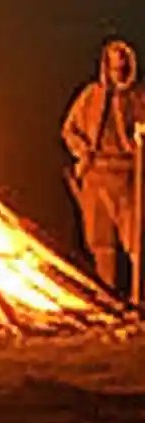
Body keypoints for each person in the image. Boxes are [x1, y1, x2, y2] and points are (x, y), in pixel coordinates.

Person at [61, 38, 145, 293]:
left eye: (123, 67)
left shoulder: (139, 97)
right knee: (101, 243)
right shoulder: (91, 97)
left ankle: (138, 295)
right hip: (96, 175)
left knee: (136, 241)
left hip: (128, 177)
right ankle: (107, 297)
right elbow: (69, 129)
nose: (118, 73)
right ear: (106, 67)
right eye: (114, 67)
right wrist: (82, 151)